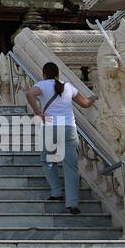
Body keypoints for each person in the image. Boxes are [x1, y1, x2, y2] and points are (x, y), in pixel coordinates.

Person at [24, 61, 98, 214]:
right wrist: (93, 98)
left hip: (50, 128)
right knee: (70, 166)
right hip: (69, 129)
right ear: (58, 74)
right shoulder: (68, 87)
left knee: (47, 160)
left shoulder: (43, 85)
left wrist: (38, 112)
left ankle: (56, 192)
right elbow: (85, 103)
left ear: (44, 74)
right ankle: (73, 203)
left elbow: (29, 93)